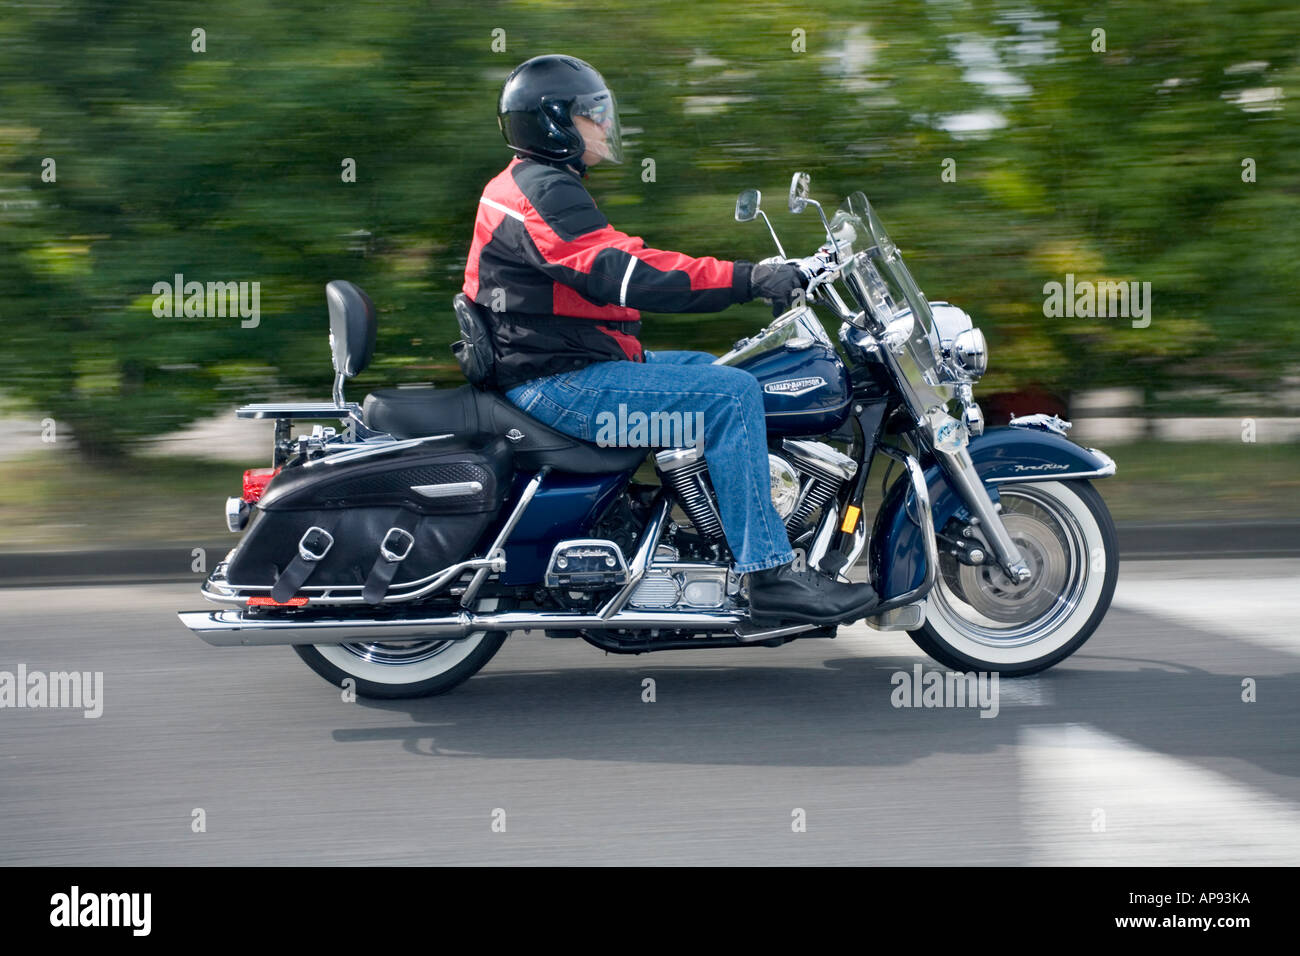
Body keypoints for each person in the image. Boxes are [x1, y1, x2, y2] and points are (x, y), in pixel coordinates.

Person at [461, 53, 878, 625]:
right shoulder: (541, 192)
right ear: (553, 121)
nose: (605, 125)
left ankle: (696, 531)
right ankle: (769, 573)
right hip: (557, 384)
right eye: (592, 114)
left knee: (723, 368)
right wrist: (747, 278)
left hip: (566, 362)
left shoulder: (530, 183)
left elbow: (608, 269)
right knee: (731, 396)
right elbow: (629, 271)